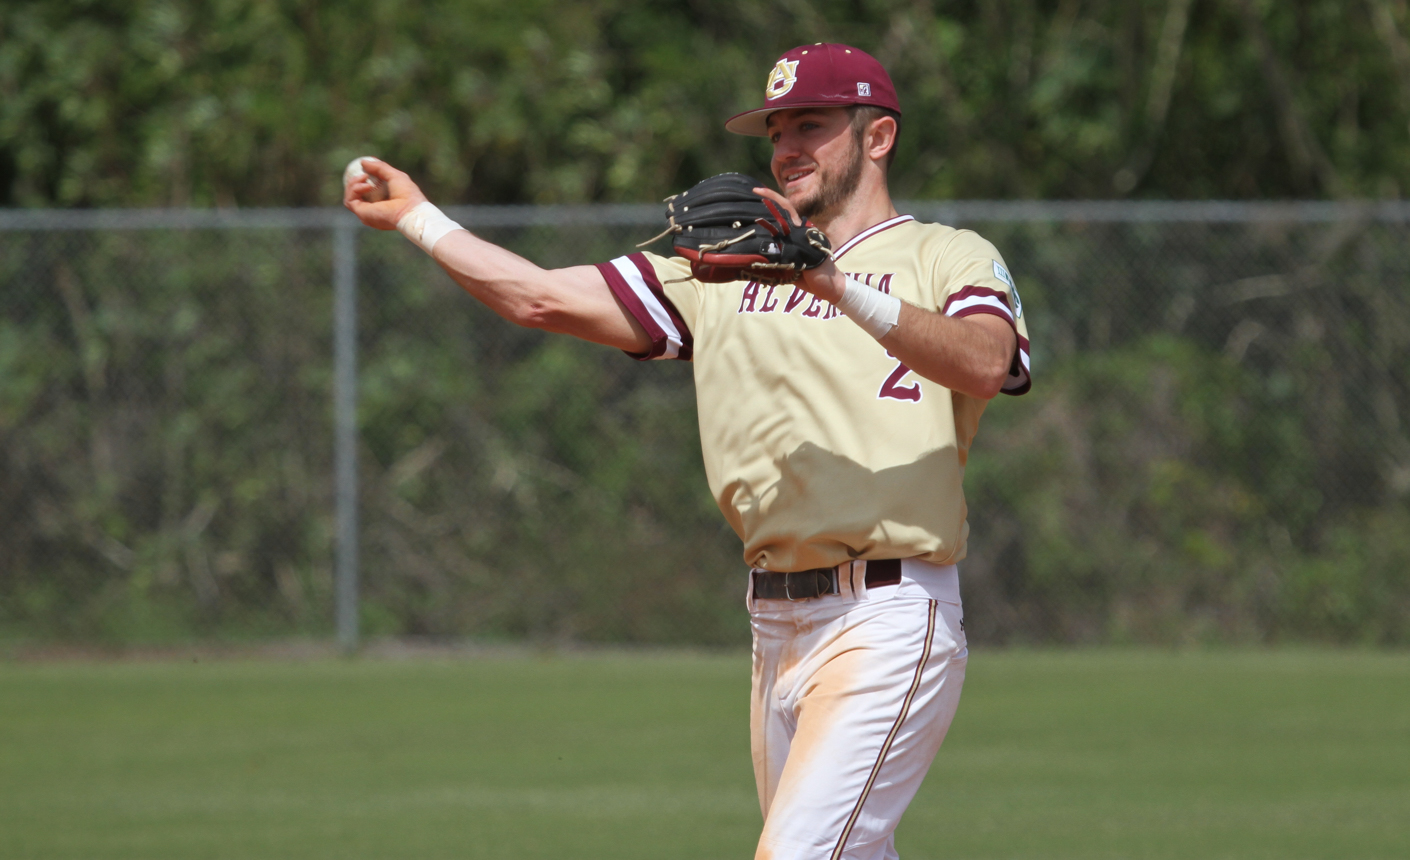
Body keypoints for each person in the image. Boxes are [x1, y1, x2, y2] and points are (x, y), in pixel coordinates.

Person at [346, 42, 1030, 860]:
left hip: (886, 614)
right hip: (773, 621)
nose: (785, 149)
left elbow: (989, 363)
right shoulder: (725, 270)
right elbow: (537, 297)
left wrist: (831, 283)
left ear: (876, 136)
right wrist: (419, 218)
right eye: (776, 131)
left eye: (810, 125)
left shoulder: (944, 254)